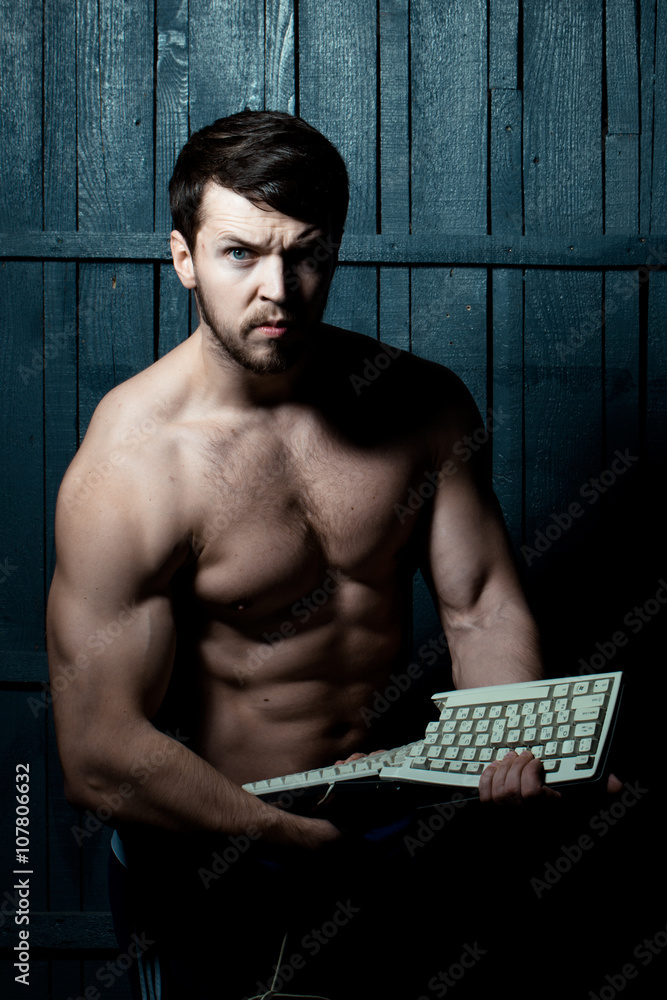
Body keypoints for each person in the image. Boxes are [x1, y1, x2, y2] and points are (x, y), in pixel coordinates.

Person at [47, 110, 591, 999]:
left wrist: (518, 748)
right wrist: (284, 835)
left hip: (388, 819)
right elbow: (99, 749)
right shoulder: (132, 464)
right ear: (182, 256)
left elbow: (481, 605)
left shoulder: (419, 405)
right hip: (209, 844)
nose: (279, 289)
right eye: (240, 254)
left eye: (306, 254)